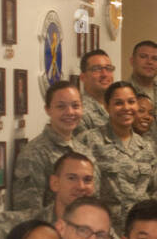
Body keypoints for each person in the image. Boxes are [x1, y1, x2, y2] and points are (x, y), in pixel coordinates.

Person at [77, 81, 157, 231]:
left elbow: (155, 191)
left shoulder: (147, 147)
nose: (126, 108)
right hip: (104, 232)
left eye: (131, 102)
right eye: (118, 103)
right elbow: (82, 193)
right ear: (107, 107)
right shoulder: (89, 141)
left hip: (140, 231)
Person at [10, 80, 99, 212]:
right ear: (48, 109)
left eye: (75, 106)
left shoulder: (84, 150)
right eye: (61, 107)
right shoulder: (34, 154)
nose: (70, 112)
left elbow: (94, 199)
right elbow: (28, 214)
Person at [127, 40, 157, 166]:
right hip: (135, 166)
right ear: (132, 61)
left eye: (155, 58)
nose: (149, 62)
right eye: (143, 57)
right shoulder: (125, 94)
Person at [77, 49, 114, 134]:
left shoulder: (119, 106)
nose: (104, 74)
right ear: (83, 77)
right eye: (97, 69)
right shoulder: (79, 112)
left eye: (108, 68)